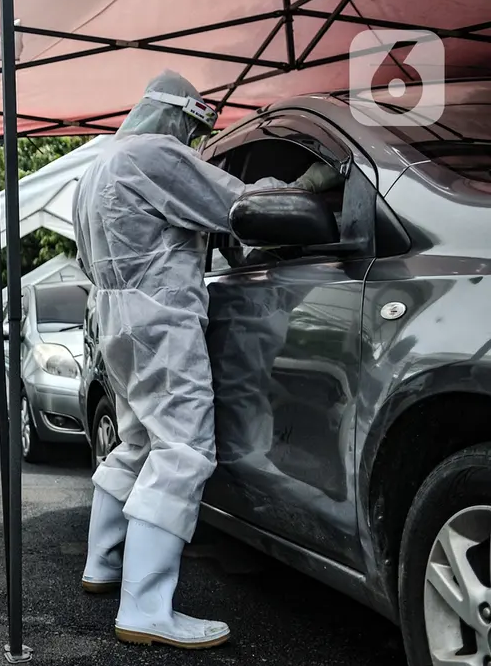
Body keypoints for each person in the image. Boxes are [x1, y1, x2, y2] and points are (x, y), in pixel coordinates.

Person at [71, 70, 342, 648]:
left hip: (116, 319)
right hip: (161, 318)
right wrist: (314, 181)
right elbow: (242, 205)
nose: (192, 139)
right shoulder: (156, 155)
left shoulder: (97, 167)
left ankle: (103, 564)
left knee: (139, 443)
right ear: (177, 117)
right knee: (184, 450)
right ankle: (145, 609)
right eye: (193, 127)